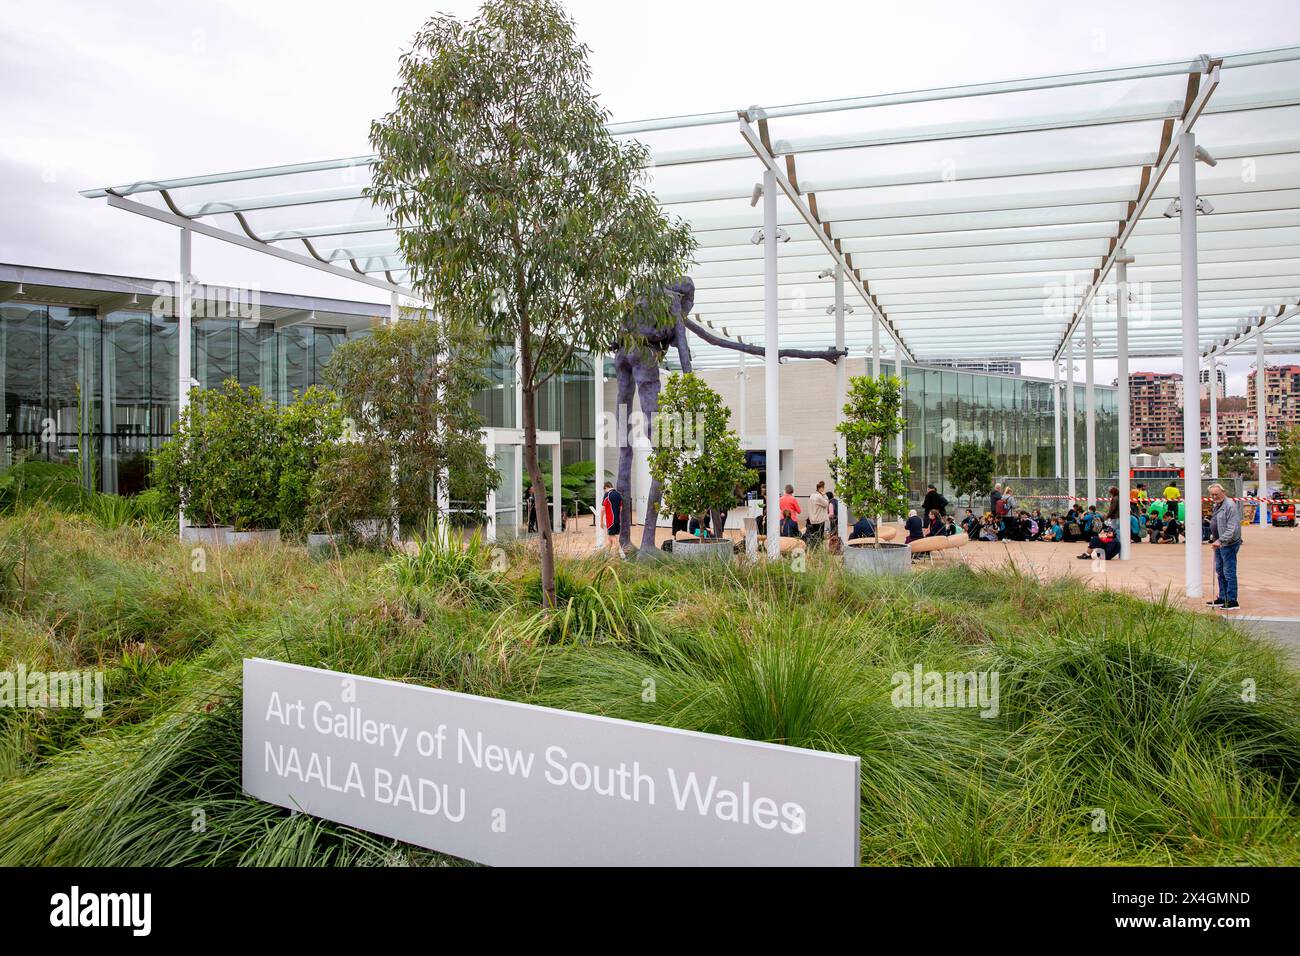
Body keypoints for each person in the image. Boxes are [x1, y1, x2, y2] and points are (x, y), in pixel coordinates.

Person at [1208, 482, 1243, 610]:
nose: (1214, 496)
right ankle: (1222, 598)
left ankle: (1232, 601)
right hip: (1219, 543)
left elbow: (1232, 528)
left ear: (1223, 492)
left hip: (1228, 543)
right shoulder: (1217, 505)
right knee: (1220, 571)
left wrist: (1220, 540)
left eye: (1216, 494)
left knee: (1229, 572)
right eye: (1212, 495)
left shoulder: (1230, 505)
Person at [806, 481, 830, 548]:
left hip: (812, 519)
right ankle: (818, 549)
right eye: (823, 488)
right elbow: (826, 503)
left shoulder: (812, 496)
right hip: (819, 519)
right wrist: (824, 495)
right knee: (820, 536)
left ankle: (813, 548)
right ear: (821, 488)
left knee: (814, 535)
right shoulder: (819, 497)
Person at [601, 481, 622, 555]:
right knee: (610, 537)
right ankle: (606, 555)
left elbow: (603, 509)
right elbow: (621, 508)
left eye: (604, 490)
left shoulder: (607, 495)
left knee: (613, 537)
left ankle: (621, 554)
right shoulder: (618, 494)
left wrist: (601, 521)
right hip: (617, 520)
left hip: (610, 520)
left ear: (606, 487)